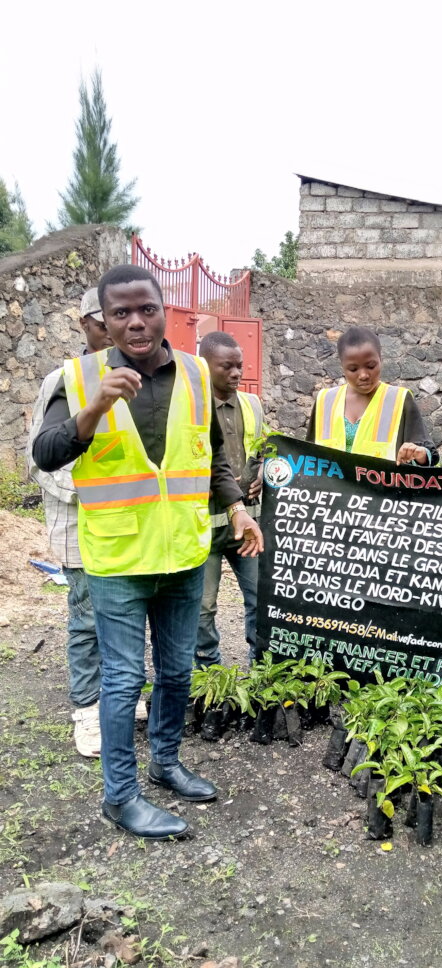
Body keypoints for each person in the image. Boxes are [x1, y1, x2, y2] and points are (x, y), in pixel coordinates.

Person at [33, 264, 263, 841]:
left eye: (147, 309)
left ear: (164, 313)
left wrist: (236, 507)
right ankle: (120, 796)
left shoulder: (196, 373)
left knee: (178, 670)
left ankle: (165, 762)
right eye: (121, 313)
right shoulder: (79, 378)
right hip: (118, 559)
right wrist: (94, 409)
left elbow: (210, 454)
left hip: (183, 553)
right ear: (104, 321)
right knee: (121, 679)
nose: (135, 322)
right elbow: (45, 452)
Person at [27, 289, 112, 757]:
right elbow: (39, 459)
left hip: (126, 525)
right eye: (105, 320)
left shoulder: (137, 377)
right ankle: (86, 709)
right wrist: (91, 491)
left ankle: (116, 695)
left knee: (123, 615)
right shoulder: (64, 380)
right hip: (80, 524)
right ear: (85, 323)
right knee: (86, 617)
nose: (115, 329)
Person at [195, 331, 263, 669]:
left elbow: (264, 448)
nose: (236, 373)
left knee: (260, 596)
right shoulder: (191, 406)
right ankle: (208, 672)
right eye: (227, 367)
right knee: (202, 607)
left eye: (239, 366)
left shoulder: (252, 405)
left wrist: (263, 472)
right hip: (203, 526)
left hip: (247, 523)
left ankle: (261, 665)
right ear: (204, 366)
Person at [306, 327, 438, 464]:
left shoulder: (399, 400)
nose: (363, 375)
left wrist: (420, 455)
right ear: (342, 367)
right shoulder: (324, 401)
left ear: (381, 360)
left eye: (370, 366)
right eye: (353, 369)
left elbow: (424, 455)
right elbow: (307, 456)